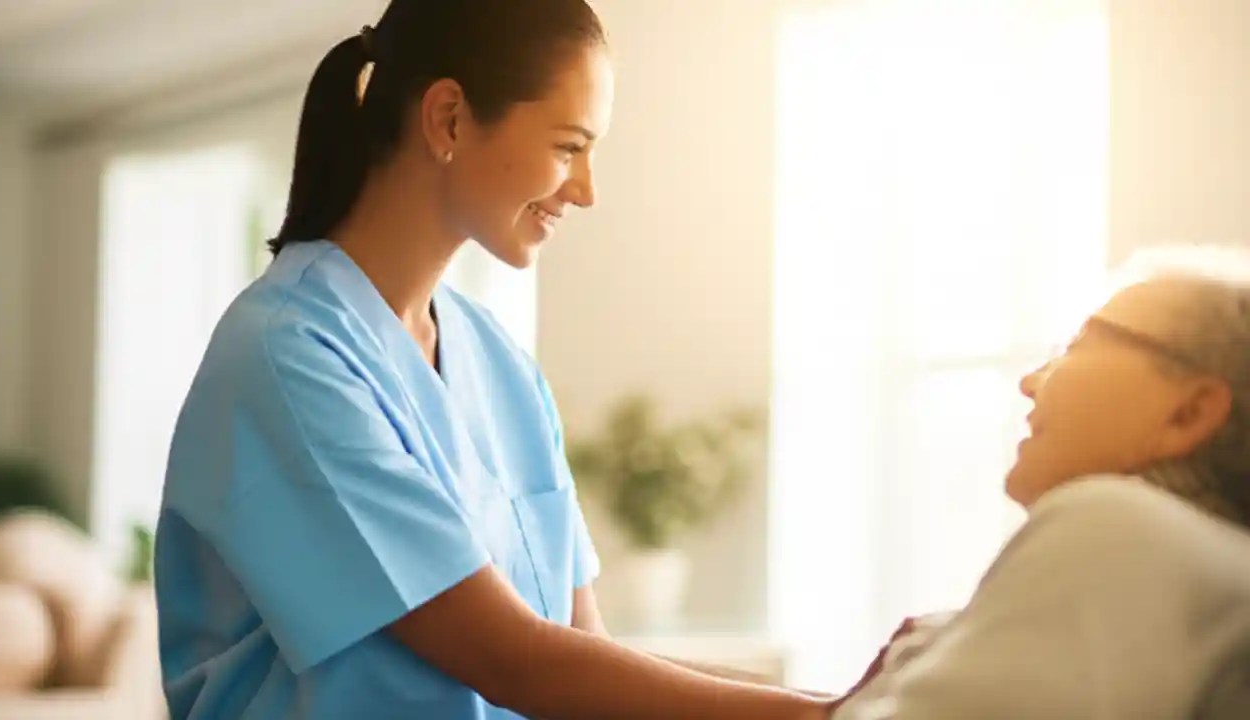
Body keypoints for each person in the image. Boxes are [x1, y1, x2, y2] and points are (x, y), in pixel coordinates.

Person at [153, 1, 830, 719]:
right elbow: (516, 662)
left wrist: (849, 703)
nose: (586, 190)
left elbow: (581, 650)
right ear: (448, 118)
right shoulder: (285, 357)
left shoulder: (502, 367)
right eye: (569, 147)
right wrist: (823, 716)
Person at [831, 246, 1250, 719]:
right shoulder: (1202, 564)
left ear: (1188, 413)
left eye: (1075, 347)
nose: (1029, 382)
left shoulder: (1119, 527)